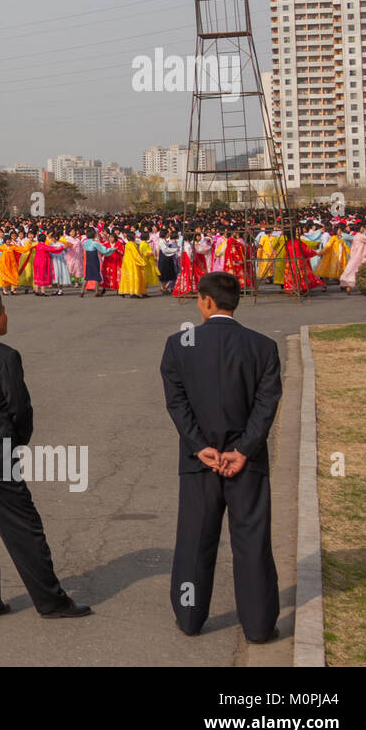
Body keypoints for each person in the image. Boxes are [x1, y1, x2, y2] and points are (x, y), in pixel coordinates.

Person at [0, 290, 91, 620]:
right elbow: (20, 409)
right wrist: (15, 444)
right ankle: (51, 602)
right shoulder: (5, 357)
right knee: (24, 529)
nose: (6, 317)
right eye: (4, 312)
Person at [160, 271, 282, 643]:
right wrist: (243, 449)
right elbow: (266, 405)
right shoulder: (261, 346)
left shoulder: (179, 344)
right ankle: (259, 626)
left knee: (196, 539)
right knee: (252, 542)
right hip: (247, 461)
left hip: (200, 460)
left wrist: (200, 446)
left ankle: (190, 616)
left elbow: (177, 404)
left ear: (206, 301)